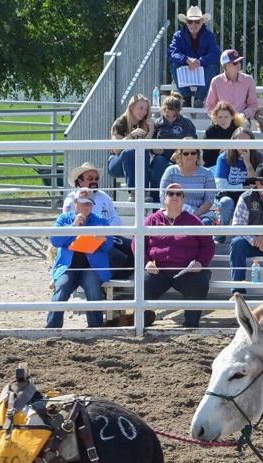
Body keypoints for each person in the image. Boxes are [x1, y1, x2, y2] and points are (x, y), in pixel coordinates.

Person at [136, 184, 215, 327]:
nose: (174, 197)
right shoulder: (152, 220)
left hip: (186, 270)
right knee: (142, 284)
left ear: (183, 199)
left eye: (178, 194)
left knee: (199, 283)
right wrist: (146, 262)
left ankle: (191, 325)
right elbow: (137, 243)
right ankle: (145, 321)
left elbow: (208, 244)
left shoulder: (193, 221)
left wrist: (200, 262)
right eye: (170, 193)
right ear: (164, 198)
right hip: (157, 270)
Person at [47, 188, 111, 329]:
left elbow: (109, 247)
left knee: (93, 289)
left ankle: (95, 328)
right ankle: (52, 327)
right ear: (75, 203)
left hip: (91, 268)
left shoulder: (100, 221)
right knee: (61, 288)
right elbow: (55, 241)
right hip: (68, 267)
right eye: (83, 203)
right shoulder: (64, 219)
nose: (86, 207)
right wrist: (73, 226)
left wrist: (104, 239)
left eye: (89, 203)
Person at [62, 162, 133, 278]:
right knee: (118, 256)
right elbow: (67, 223)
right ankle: (103, 283)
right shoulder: (71, 199)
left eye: (96, 178)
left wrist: (105, 230)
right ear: (79, 181)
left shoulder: (104, 196)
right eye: (89, 178)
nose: (94, 181)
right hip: (83, 240)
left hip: (108, 236)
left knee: (135, 248)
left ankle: (113, 281)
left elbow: (116, 219)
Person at [169, 5, 221, 108]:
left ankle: (199, 99)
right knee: (174, 64)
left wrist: (200, 61)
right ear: (186, 22)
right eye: (190, 21)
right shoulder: (178, 35)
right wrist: (186, 59)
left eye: (197, 21)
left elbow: (216, 54)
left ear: (202, 22)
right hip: (186, 70)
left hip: (202, 71)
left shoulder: (209, 36)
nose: (193, 24)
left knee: (213, 66)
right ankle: (186, 98)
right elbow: (171, 53)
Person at [149, 94, 198, 201]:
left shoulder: (186, 123)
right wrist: (153, 148)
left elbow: (193, 140)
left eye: (174, 116)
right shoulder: (157, 124)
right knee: (158, 162)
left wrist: (180, 151)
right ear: (162, 111)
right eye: (167, 116)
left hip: (181, 157)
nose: (170, 119)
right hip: (161, 158)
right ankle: (157, 200)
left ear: (178, 112)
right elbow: (149, 143)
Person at [213, 128, 263, 228]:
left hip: (249, 195)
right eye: (239, 141)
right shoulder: (224, 158)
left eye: (247, 142)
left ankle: (249, 236)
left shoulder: (259, 157)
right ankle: (219, 235)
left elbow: (257, 184)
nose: (243, 145)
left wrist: (247, 162)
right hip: (227, 194)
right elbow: (221, 186)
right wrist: (243, 187)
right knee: (225, 202)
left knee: (255, 201)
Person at [160, 141, 217, 225]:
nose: (189, 155)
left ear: (197, 155)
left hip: (200, 213)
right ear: (180, 155)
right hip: (174, 211)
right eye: (186, 153)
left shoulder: (207, 173)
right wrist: (178, 214)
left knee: (205, 223)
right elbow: (163, 196)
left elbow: (209, 199)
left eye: (193, 153)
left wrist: (194, 215)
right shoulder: (171, 171)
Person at [107, 95, 155, 193]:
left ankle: (143, 192)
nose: (143, 112)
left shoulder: (145, 124)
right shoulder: (120, 122)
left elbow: (146, 148)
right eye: (140, 108)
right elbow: (116, 150)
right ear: (131, 107)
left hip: (136, 162)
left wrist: (151, 130)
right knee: (131, 152)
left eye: (146, 109)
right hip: (117, 162)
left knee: (143, 152)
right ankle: (134, 192)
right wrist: (131, 135)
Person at [206, 50, 261, 127]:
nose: (239, 64)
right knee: (212, 131)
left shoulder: (248, 80)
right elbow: (210, 106)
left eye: (239, 61)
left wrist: (243, 114)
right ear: (225, 66)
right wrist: (219, 117)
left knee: (243, 129)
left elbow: (253, 105)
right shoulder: (216, 81)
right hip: (221, 121)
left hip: (241, 120)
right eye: (235, 63)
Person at [202, 101, 241, 168]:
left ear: (232, 117)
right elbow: (206, 157)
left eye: (226, 117)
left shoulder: (238, 131)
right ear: (215, 117)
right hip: (214, 166)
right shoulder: (210, 131)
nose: (223, 120)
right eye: (220, 117)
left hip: (234, 166)